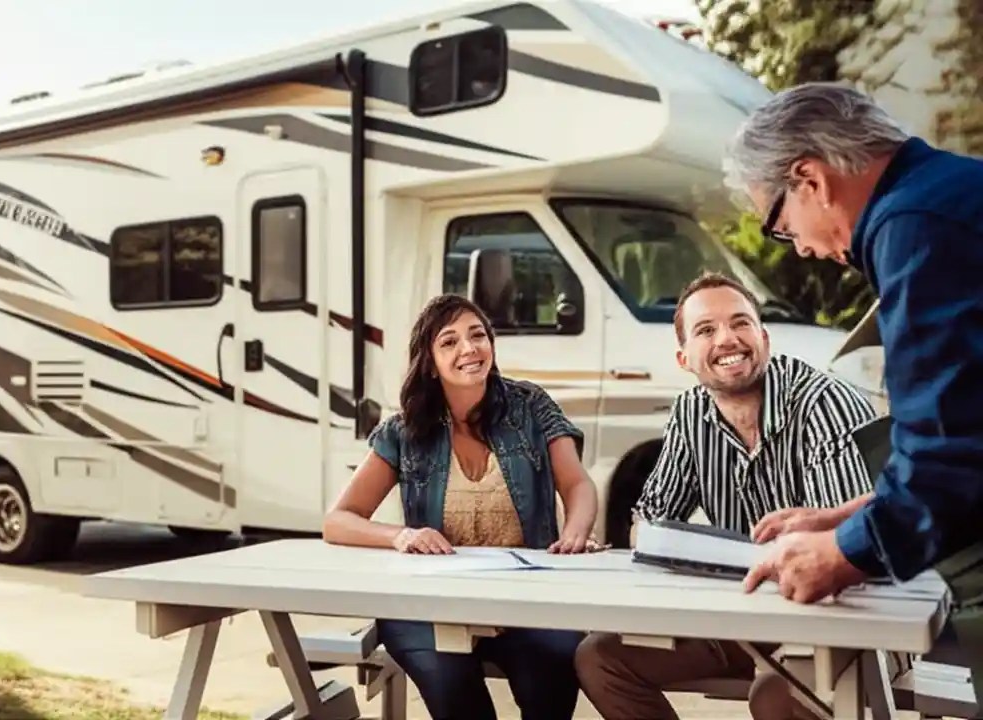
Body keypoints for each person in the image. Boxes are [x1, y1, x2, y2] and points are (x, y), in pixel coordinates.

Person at [726, 80, 983, 697]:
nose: (805, 251)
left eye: (780, 226)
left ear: (809, 178)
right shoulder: (949, 190)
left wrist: (842, 554)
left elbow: (948, 453)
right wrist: (856, 514)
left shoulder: (913, 226)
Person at [574, 271, 877, 720]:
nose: (727, 339)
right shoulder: (690, 411)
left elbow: (851, 544)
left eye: (740, 323)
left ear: (764, 337)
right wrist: (661, 540)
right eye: (706, 330)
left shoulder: (823, 403)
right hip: (742, 617)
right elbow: (650, 524)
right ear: (684, 359)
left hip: (843, 618)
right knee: (600, 657)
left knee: (775, 694)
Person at [323, 293, 600, 720]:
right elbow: (338, 521)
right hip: (431, 605)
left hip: (528, 599)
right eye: (449, 341)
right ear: (430, 363)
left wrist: (576, 531)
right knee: (452, 688)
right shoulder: (403, 431)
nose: (469, 349)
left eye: (478, 335)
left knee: (553, 673)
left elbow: (576, 482)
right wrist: (401, 536)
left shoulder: (532, 406)